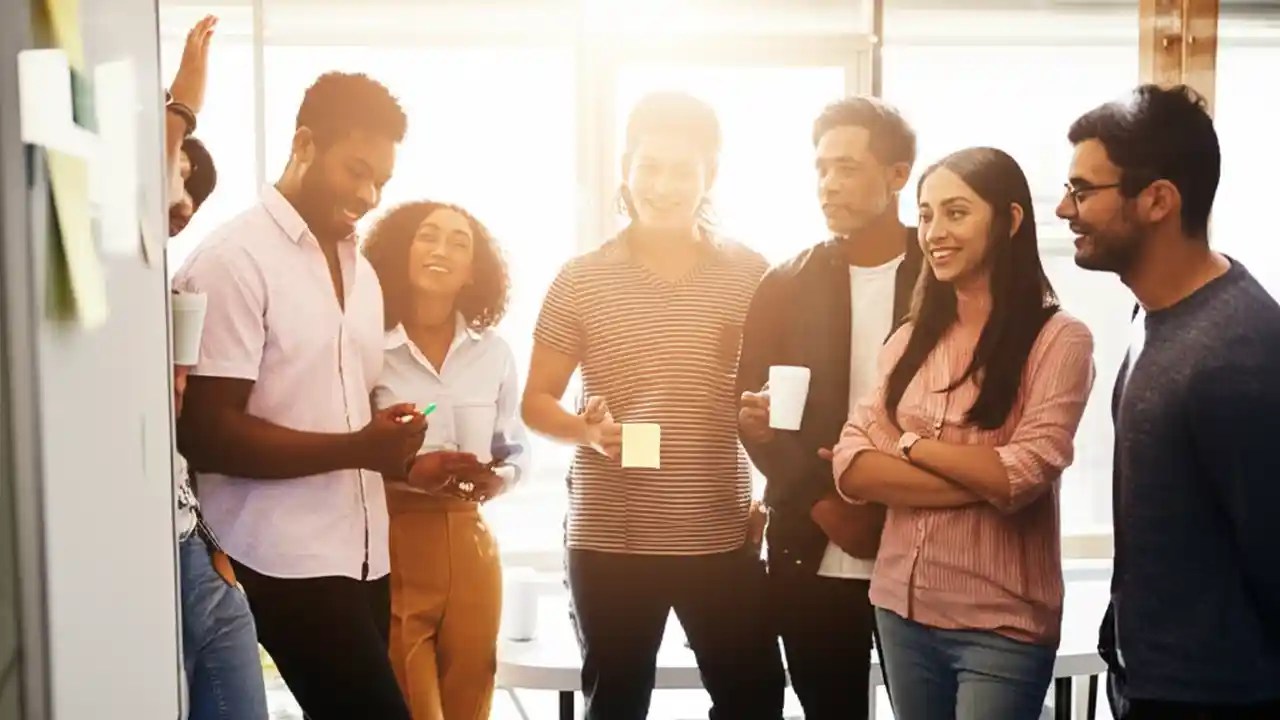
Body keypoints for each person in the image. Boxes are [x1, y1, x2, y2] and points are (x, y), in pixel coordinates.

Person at [521, 91, 785, 720]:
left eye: (682, 170)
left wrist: (772, 495)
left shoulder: (752, 273)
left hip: (721, 530)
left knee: (755, 697)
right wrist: (586, 433)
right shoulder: (580, 277)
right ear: (626, 170)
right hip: (612, 536)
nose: (663, 185)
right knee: (616, 703)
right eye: (650, 167)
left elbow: (788, 400)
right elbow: (536, 402)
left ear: (710, 176)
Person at [172, 71, 422, 720]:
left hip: (362, 552)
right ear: (305, 144)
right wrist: (360, 447)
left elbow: (343, 406)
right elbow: (207, 433)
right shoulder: (233, 260)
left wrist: (402, 450)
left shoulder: (360, 272)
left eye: (382, 183)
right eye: (356, 171)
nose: (368, 196)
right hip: (277, 556)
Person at [830, 147, 1095, 720]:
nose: (934, 232)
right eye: (925, 215)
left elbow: (1023, 475)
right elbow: (851, 465)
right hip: (900, 611)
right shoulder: (908, 340)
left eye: (955, 213)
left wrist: (909, 444)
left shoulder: (1059, 340)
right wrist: (982, 478)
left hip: (1000, 624)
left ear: (1011, 220)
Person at [1060, 84, 1280, 719]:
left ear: (1157, 200)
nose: (1064, 210)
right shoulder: (1154, 315)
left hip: (1217, 694)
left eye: (1082, 191)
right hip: (1149, 679)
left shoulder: (1239, 354)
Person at [736, 95, 919, 719]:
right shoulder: (786, 282)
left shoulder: (942, 273)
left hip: (927, 546)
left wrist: (891, 505)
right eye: (821, 168)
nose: (828, 184)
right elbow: (755, 420)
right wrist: (824, 505)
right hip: (810, 547)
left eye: (847, 167)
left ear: (898, 174)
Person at [365, 200, 531, 720]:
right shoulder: (368, 347)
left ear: (473, 271)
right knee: (410, 706)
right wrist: (410, 472)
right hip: (395, 538)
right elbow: (346, 449)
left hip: (472, 542)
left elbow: (515, 447)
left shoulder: (494, 353)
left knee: (471, 702)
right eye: (427, 236)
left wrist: (498, 479)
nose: (441, 249)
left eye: (459, 242)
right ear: (401, 253)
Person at [163, 15, 269, 720]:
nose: (188, 195)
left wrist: (211, 536)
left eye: (197, 189)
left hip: (187, 533)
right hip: (170, 541)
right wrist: (184, 97)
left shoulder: (169, 291)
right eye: (180, 170)